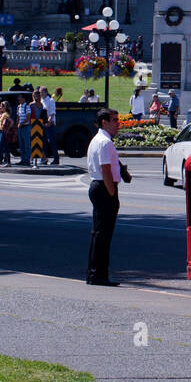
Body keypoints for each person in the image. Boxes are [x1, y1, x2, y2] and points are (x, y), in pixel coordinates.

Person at [86, 108, 124, 286]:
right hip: (104, 187)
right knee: (103, 235)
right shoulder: (105, 143)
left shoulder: (98, 140)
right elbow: (106, 169)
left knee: (98, 233)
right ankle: (98, 275)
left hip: (99, 186)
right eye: (114, 120)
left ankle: (95, 273)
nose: (118, 123)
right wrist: (111, 192)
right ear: (104, 122)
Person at [41, 87, 59, 165]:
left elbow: (52, 113)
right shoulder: (41, 101)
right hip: (44, 124)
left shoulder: (50, 101)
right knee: (43, 142)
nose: (41, 94)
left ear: (46, 92)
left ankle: (56, 159)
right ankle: (45, 159)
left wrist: (48, 122)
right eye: (40, 92)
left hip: (50, 125)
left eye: (42, 92)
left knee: (52, 142)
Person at [15, 94, 31, 165]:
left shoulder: (27, 106)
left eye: (20, 97)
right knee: (21, 145)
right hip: (20, 127)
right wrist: (17, 125)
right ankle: (23, 159)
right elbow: (18, 117)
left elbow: (28, 117)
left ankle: (27, 160)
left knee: (26, 144)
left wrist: (21, 123)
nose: (18, 99)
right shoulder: (19, 107)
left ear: (24, 98)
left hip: (26, 127)